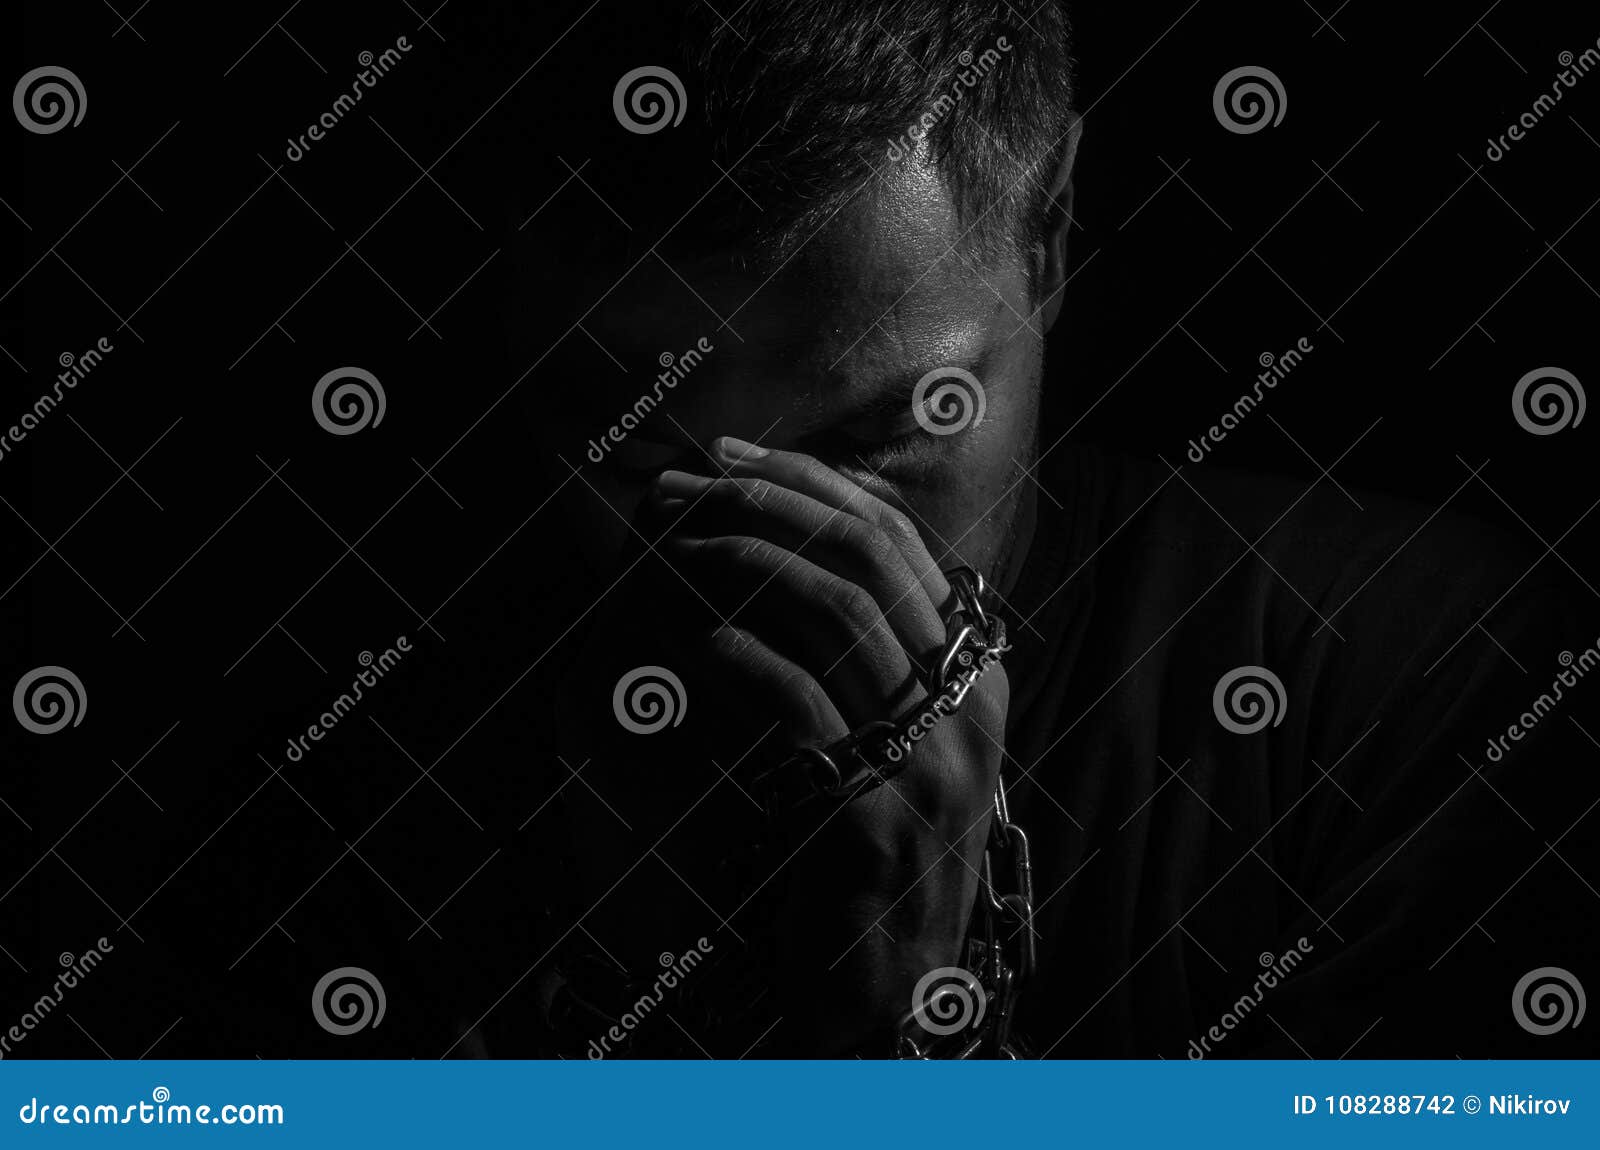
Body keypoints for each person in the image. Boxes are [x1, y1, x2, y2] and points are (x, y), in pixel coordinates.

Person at [466, 0, 1598, 1058]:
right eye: (630, 442)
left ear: (1045, 234)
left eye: (880, 432)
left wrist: (901, 1017)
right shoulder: (362, 751)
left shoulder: (1434, 690)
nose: (764, 563)